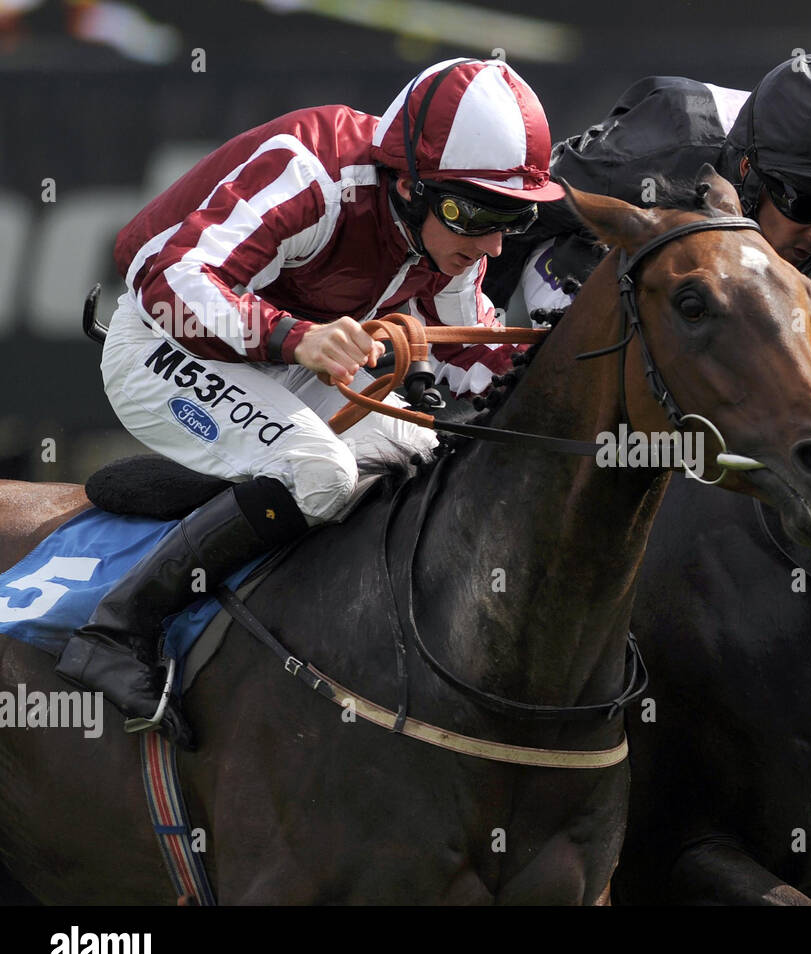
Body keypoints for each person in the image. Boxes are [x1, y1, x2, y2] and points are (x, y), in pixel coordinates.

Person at [57, 58, 565, 748]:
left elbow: (475, 359)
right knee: (320, 474)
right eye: (474, 213)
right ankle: (116, 629)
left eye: (514, 217)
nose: (493, 243)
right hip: (164, 343)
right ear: (410, 184)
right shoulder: (314, 173)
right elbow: (162, 274)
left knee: (423, 455)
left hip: (280, 360)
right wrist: (293, 337)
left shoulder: (450, 238)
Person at [483, 52, 811, 322]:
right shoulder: (665, 143)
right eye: (808, 203)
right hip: (578, 258)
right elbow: (521, 206)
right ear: (748, 170)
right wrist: (475, 341)